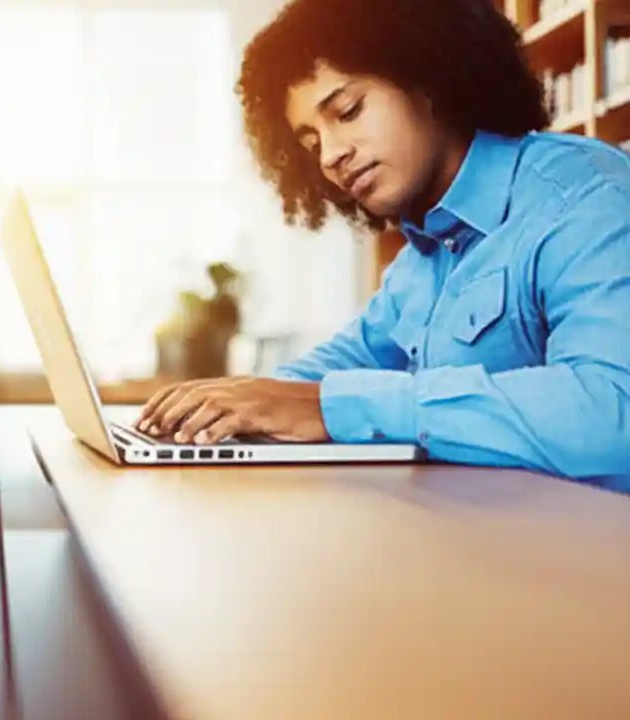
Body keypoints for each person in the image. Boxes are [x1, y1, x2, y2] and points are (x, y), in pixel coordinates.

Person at [136, 0, 630, 492]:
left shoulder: (585, 194)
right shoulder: (421, 257)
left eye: (348, 111)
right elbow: (341, 366)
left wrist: (330, 407)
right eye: (311, 144)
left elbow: (613, 409)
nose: (331, 155)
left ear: (428, 76)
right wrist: (232, 401)